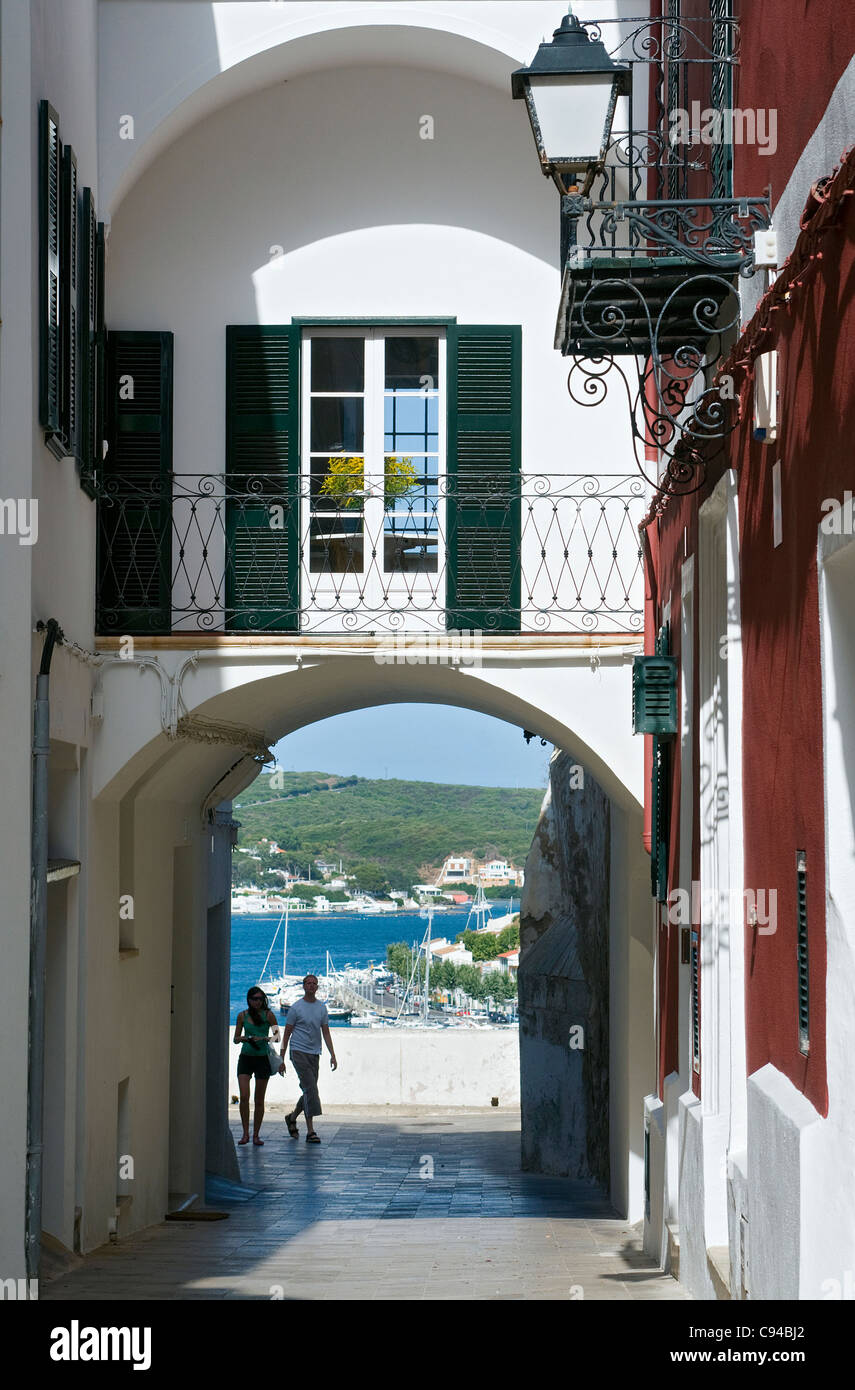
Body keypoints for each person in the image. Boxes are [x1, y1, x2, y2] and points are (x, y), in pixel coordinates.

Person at [280, 974, 338, 1143]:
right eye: (308, 983)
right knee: (311, 1090)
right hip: (298, 1052)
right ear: (304, 986)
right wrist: (281, 1058)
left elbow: (325, 1032)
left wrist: (333, 1054)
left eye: (314, 983)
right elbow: (286, 1034)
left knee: (308, 1090)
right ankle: (310, 1131)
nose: (311, 986)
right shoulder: (296, 1008)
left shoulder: (321, 1008)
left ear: (317, 987)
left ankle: (291, 1117)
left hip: (314, 1053)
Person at [234, 987, 282, 1146]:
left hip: (262, 1059)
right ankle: (245, 1133)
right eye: (254, 998)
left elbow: (277, 1037)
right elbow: (235, 1038)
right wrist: (245, 1038)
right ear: (249, 999)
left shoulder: (269, 1015)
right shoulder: (242, 1016)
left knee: (259, 1099)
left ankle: (256, 1135)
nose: (257, 1001)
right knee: (244, 1096)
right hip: (246, 1058)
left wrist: (263, 1038)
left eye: (260, 998)